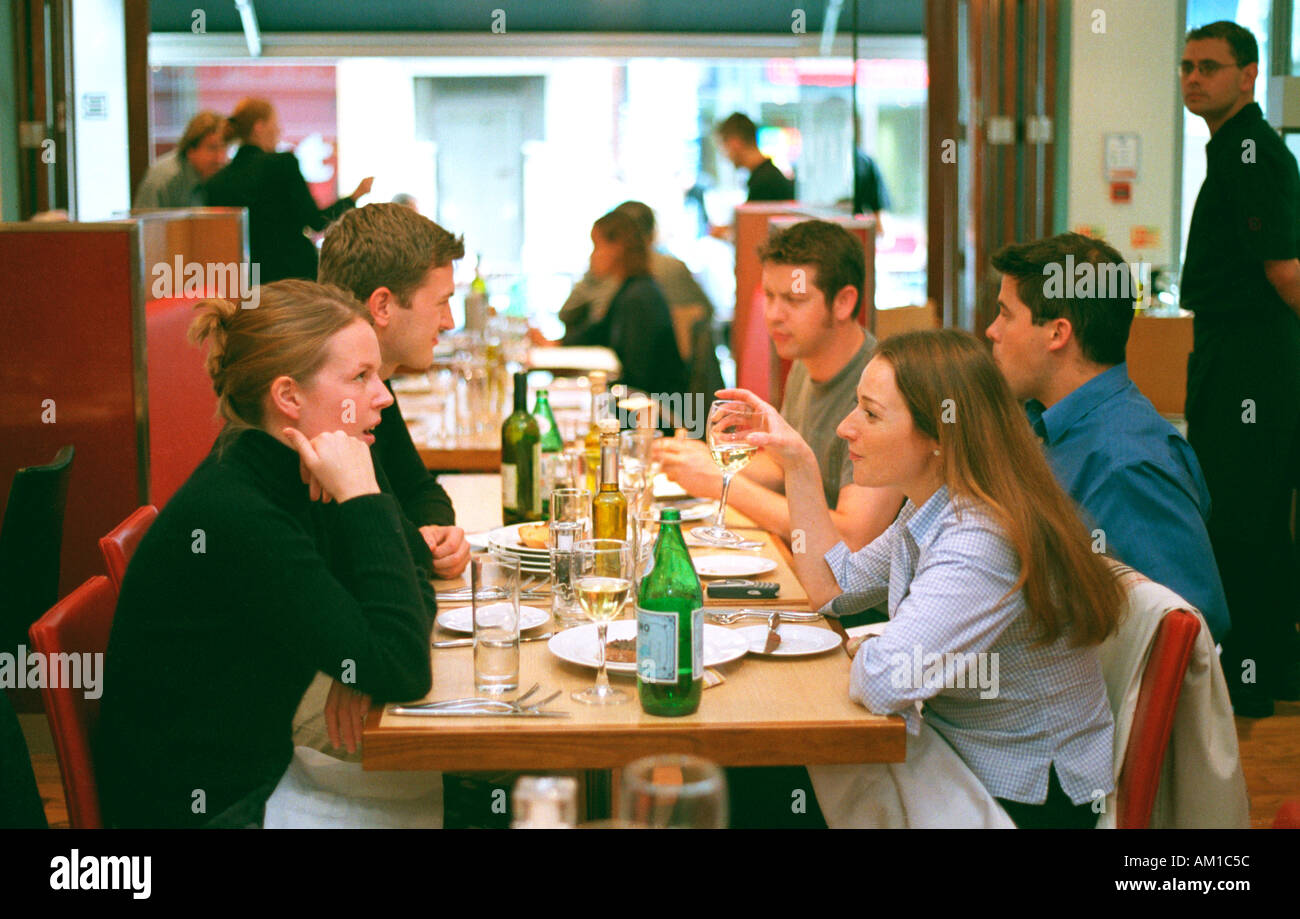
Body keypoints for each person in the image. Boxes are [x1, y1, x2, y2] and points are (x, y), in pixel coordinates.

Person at [725, 329, 1123, 828]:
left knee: (759, 775)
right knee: (754, 765)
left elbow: (888, 679)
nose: (847, 428)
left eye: (871, 414)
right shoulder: (932, 505)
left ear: (939, 435)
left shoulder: (980, 536)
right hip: (952, 755)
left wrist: (867, 647)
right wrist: (799, 463)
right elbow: (835, 588)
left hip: (1023, 801)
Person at [96, 281, 437, 828]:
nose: (384, 396)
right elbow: (403, 664)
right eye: (360, 377)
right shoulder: (237, 511)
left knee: (469, 794)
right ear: (289, 398)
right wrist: (364, 497)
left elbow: (415, 568)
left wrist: (359, 664)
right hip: (213, 810)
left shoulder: (299, 463)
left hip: (265, 771)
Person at [985, 232, 1229, 642]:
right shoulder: (1048, 424)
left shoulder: (1127, 463)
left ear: (1057, 334)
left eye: (1006, 314)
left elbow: (1190, 626)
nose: (993, 331)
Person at [1179, 21, 1300, 716]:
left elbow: (1282, 270)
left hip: (1251, 355)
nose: (1194, 78)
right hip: (1247, 349)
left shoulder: (1249, 150)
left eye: (1211, 68)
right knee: (1253, 511)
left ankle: (1248, 678)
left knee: (1239, 514)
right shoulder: (1234, 148)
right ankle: (1276, 667)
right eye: (1188, 66)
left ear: (1249, 75)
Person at [657, 220, 903, 550]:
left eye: (793, 299)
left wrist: (721, 484)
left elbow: (853, 536)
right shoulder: (805, 361)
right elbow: (780, 467)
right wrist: (706, 460)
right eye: (769, 296)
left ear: (843, 302)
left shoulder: (887, 388)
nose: (773, 315)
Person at [318, 202, 469, 580]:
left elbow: (419, 491)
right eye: (442, 302)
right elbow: (372, 548)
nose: (450, 321)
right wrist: (419, 546)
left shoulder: (374, 386)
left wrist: (436, 535)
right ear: (382, 305)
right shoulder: (326, 408)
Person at [205, 97, 374, 283]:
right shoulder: (283, 164)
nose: (279, 130)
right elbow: (316, 221)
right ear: (259, 126)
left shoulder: (216, 182)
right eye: (275, 124)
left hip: (246, 282)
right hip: (292, 278)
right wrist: (354, 197)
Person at [565, 208, 688, 407]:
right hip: (639, 404)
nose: (593, 256)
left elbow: (638, 380)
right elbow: (598, 332)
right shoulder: (629, 289)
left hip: (652, 414)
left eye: (597, 246)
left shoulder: (639, 298)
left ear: (618, 248)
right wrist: (557, 344)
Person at [559, 200, 715, 349]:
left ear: (620, 245)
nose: (593, 256)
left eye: (597, 247)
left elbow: (567, 314)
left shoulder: (637, 294)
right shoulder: (636, 285)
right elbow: (706, 311)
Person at [133, 111, 228, 208]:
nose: (220, 159)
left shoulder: (214, 177)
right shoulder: (164, 178)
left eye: (224, 147)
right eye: (212, 148)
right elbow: (145, 220)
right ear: (191, 150)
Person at [716, 112, 795, 202]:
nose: (724, 155)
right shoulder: (767, 175)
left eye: (723, 146)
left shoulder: (764, 182)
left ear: (735, 143)